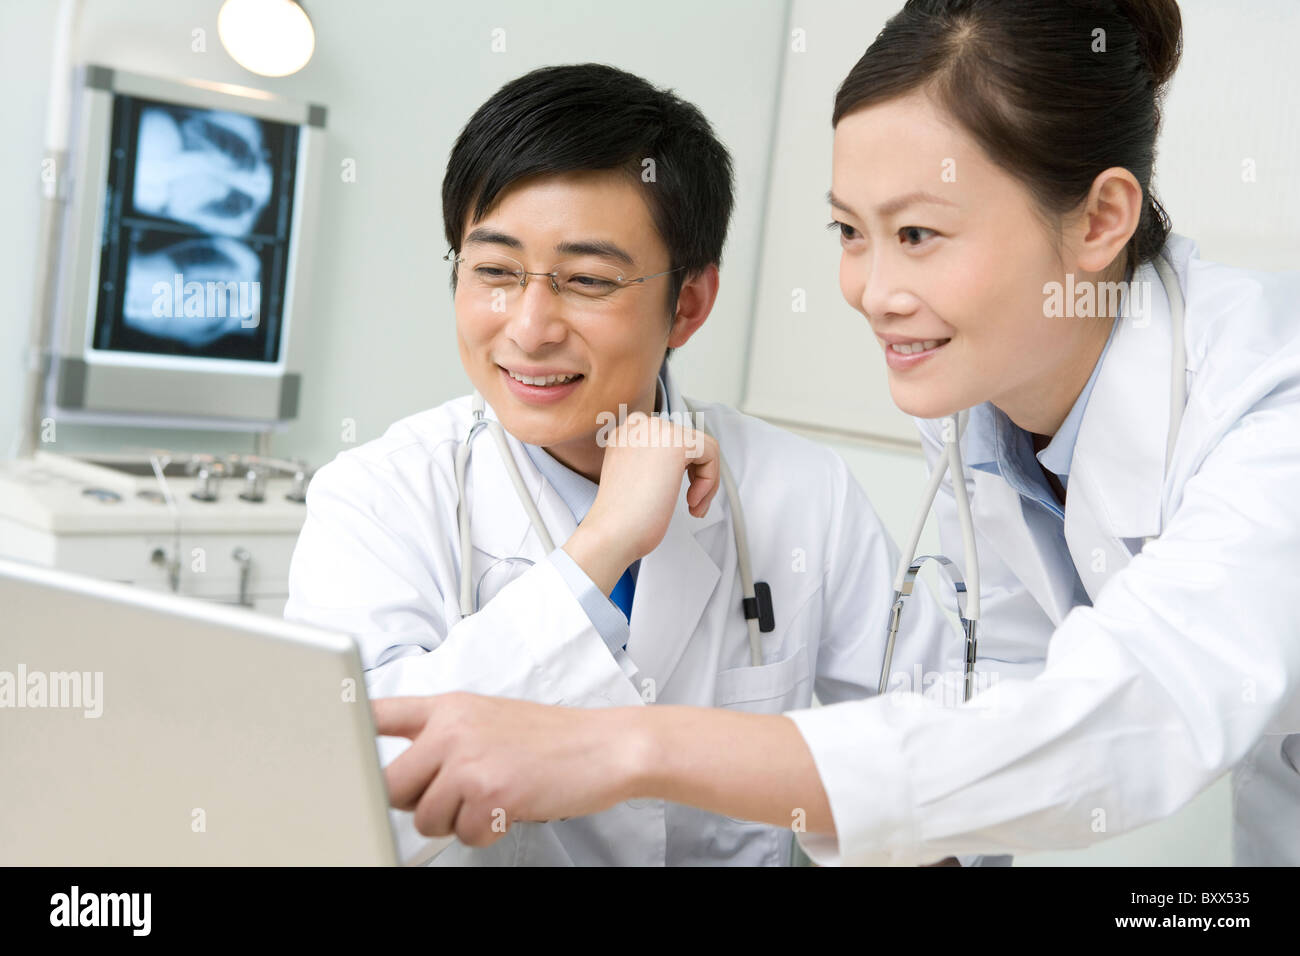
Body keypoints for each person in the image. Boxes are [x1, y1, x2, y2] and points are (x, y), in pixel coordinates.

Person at [373, 0, 1300, 866]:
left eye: (920, 234)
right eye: (851, 232)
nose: (873, 291)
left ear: (1101, 219)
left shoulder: (1269, 403)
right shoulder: (985, 415)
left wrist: (630, 745)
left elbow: (1120, 717)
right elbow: (992, 708)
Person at [284, 63, 964, 866]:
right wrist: (598, 548)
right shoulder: (375, 498)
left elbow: (944, 768)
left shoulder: (801, 492)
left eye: (588, 281)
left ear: (689, 304)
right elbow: (351, 813)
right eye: (495, 271)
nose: (530, 328)